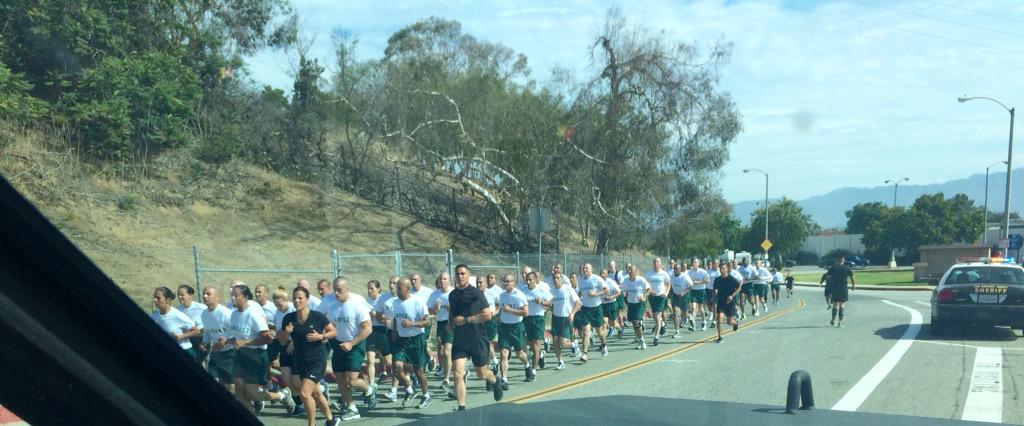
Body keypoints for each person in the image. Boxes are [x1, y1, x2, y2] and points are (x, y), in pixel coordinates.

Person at [228, 284, 296, 415]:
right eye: (232, 295)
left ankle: (282, 396)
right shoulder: (234, 315)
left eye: (236, 295)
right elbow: (237, 338)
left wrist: (246, 342)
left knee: (252, 393)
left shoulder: (253, 314)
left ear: (246, 297)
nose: (233, 298)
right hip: (240, 356)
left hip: (256, 356)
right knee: (239, 392)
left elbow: (268, 340)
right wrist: (226, 341)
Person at [448, 264, 503, 411]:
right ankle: (461, 408)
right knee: (458, 373)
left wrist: (467, 320)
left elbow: (487, 315)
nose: (460, 276)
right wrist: (450, 323)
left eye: (462, 273)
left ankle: (495, 381)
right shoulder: (452, 295)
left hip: (477, 338)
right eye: (457, 274)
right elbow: (453, 314)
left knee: (481, 373)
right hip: (460, 340)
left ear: (468, 275)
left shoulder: (476, 293)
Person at [282, 286, 340, 426]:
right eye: (294, 298)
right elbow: (283, 342)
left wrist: (320, 336)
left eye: (300, 298)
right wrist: (286, 332)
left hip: (317, 360)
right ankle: (331, 420)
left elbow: (333, 332)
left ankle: (311, 424)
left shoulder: (317, 316)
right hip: (300, 361)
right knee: (315, 393)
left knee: (304, 393)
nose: (297, 301)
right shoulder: (288, 318)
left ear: (307, 299)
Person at [323, 277, 377, 421]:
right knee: (340, 379)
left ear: (347, 289)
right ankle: (352, 409)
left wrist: (352, 343)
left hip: (355, 345)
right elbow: (332, 327)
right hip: (339, 345)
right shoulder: (332, 307)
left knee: (351, 380)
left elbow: (368, 329)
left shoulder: (357, 305)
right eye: (335, 290)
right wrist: (324, 336)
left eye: (339, 290)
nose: (336, 293)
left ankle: (369, 389)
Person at [391, 277, 432, 408]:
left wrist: (411, 324)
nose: (396, 290)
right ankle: (410, 390)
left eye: (399, 288)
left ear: (407, 289)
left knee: (419, 371)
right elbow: (395, 319)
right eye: (396, 287)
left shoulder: (417, 301)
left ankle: (426, 395)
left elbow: (427, 322)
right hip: (402, 340)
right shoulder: (395, 302)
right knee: (396, 366)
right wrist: (394, 331)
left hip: (416, 338)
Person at [270, 287, 302, 416]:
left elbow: (300, 329)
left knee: (297, 380)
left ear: (285, 299)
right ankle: (298, 404)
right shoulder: (278, 313)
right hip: (283, 345)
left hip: (296, 346)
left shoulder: (293, 310)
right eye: (275, 303)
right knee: (287, 379)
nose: (277, 306)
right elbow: (281, 332)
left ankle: (320, 389)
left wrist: (293, 341)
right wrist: (273, 334)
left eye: (279, 303)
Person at [496, 273, 529, 389]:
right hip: (504, 327)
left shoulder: (519, 295)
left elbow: (525, 312)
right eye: (504, 281)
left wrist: (510, 310)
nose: (505, 283)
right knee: (503, 354)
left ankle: (527, 365)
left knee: (519, 354)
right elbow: (500, 309)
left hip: (516, 327)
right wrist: (497, 317)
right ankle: (504, 379)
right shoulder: (502, 295)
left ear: (513, 282)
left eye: (508, 281)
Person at [200, 286, 235, 391]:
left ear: (217, 297)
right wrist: (204, 343)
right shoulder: (204, 314)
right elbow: (207, 331)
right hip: (215, 354)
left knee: (231, 387)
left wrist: (224, 342)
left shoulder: (226, 313)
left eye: (208, 294)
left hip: (230, 353)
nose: (205, 296)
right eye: (204, 293)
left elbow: (237, 333)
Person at [151, 287, 200, 358]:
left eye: (158, 298)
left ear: (168, 300)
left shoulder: (177, 315)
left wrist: (180, 337)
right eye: (155, 298)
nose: (155, 300)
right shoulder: (154, 315)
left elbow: (196, 331)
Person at [427, 272, 454, 396]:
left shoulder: (454, 293)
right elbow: (429, 310)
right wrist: (434, 309)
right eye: (440, 279)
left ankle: (446, 379)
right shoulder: (435, 294)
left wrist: (452, 309)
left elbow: (463, 309)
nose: (442, 281)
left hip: (452, 323)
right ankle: (458, 371)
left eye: (444, 279)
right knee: (441, 351)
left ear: (449, 280)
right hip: (441, 324)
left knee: (447, 352)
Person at [522, 271, 553, 378]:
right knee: (528, 344)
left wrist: (542, 302)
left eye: (530, 280)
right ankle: (541, 355)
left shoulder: (541, 289)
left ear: (535, 280)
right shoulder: (523, 291)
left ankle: (533, 371)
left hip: (538, 318)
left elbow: (550, 302)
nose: (528, 282)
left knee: (536, 346)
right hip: (526, 319)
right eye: (527, 280)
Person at [548, 269, 580, 370]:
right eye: (554, 278)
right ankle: (560, 361)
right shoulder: (551, 291)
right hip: (555, 319)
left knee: (563, 343)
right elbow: (550, 304)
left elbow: (577, 302)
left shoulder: (568, 289)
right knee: (555, 342)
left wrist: (572, 313)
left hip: (566, 318)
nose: (556, 280)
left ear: (561, 279)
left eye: (558, 278)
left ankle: (574, 344)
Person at [577, 264, 608, 361]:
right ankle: (585, 354)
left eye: (587, 268)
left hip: (596, 308)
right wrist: (577, 298)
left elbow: (606, 290)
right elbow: (580, 292)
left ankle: (603, 344)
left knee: (599, 332)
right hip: (585, 308)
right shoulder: (580, 280)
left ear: (591, 269)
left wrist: (595, 294)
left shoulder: (597, 278)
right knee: (586, 332)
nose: (584, 269)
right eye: (583, 268)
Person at [365, 280, 388, 399]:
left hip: (383, 331)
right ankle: (372, 384)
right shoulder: (365, 302)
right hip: (371, 331)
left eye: (372, 288)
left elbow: (387, 317)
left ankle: (411, 375)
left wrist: (379, 316)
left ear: (378, 289)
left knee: (389, 362)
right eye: (368, 288)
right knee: (370, 359)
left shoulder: (383, 300)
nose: (369, 291)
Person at [621, 266, 651, 350]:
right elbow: (623, 290)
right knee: (634, 324)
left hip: (640, 303)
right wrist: (624, 294)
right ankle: (640, 338)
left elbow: (649, 290)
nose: (629, 271)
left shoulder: (641, 280)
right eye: (628, 270)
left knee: (636, 322)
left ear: (635, 271)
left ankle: (642, 341)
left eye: (631, 270)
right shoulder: (626, 280)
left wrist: (643, 296)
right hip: (631, 304)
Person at [644, 258, 671, 346]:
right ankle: (662, 324)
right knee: (655, 316)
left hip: (661, 297)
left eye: (657, 261)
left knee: (657, 316)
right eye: (654, 261)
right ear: (653, 263)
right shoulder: (649, 274)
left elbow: (668, 284)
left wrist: (666, 293)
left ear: (660, 263)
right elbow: (645, 285)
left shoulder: (664, 274)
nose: (656, 263)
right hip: (652, 297)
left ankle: (656, 337)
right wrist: (650, 292)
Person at [176, 285, 206, 362]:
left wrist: (205, 342)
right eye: (178, 295)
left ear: (190, 295)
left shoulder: (201, 308)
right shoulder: (178, 310)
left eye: (182, 295)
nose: (179, 297)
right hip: (187, 340)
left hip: (201, 340)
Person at [714, 263, 742, 343]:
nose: (721, 269)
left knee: (729, 322)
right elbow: (714, 288)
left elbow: (739, 288)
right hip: (721, 302)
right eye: (720, 268)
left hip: (729, 302)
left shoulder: (731, 279)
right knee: (719, 318)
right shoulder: (717, 279)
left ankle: (735, 323)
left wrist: (732, 296)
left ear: (727, 269)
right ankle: (720, 337)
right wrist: (713, 297)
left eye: (723, 268)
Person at [824, 257, 856, 327]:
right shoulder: (847, 268)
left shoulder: (833, 268)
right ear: (843, 260)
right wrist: (853, 286)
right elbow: (852, 278)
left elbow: (828, 277)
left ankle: (833, 320)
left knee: (835, 304)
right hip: (844, 288)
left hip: (835, 288)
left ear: (837, 260)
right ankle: (840, 322)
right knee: (842, 304)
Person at [669, 263, 693, 338]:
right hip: (676, 296)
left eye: (677, 269)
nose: (675, 270)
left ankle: (690, 318)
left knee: (684, 313)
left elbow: (691, 286)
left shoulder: (684, 276)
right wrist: (669, 295)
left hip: (684, 296)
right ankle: (677, 331)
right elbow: (671, 287)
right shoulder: (672, 277)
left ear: (680, 270)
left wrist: (684, 292)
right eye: (674, 269)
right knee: (675, 314)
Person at [687, 259, 711, 331]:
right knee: (693, 308)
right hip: (693, 291)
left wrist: (699, 282)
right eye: (693, 262)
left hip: (701, 290)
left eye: (696, 262)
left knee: (701, 308)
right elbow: (687, 280)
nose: (694, 263)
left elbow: (708, 280)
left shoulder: (702, 271)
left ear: (698, 264)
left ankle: (704, 322)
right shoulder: (689, 272)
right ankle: (693, 325)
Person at [600, 269, 622, 349]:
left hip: (612, 304)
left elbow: (619, 292)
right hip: (603, 305)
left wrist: (611, 297)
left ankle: (620, 329)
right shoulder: (598, 282)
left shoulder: (611, 282)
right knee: (604, 322)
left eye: (603, 273)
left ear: (607, 275)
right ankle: (603, 344)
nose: (602, 275)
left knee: (613, 323)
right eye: (601, 273)